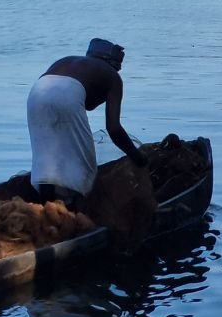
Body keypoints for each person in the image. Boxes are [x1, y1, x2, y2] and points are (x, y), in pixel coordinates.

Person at [27, 38, 148, 212]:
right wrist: (138, 158)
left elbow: (88, 104)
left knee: (46, 159)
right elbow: (113, 128)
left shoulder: (69, 62)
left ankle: (47, 207)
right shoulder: (113, 76)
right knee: (83, 163)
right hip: (67, 95)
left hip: (37, 93)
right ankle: (74, 211)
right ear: (113, 64)